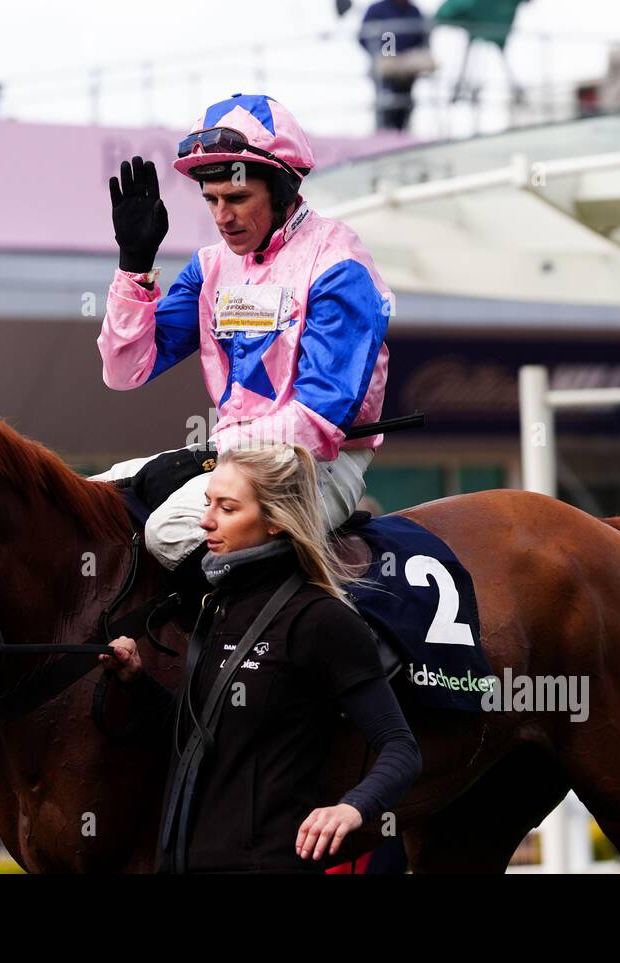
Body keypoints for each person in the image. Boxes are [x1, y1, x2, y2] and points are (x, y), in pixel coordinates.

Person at [92, 92, 392, 602]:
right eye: (211, 201)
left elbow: (318, 424)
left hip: (318, 462)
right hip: (231, 451)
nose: (222, 217)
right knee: (96, 497)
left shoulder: (339, 263)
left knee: (170, 531)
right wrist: (134, 264)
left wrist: (214, 456)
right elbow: (126, 370)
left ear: (280, 190)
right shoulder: (210, 267)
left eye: (236, 199)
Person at [99, 443, 421, 873]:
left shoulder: (320, 618)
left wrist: (353, 808)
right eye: (208, 502)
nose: (205, 520)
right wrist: (136, 679)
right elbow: (195, 734)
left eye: (228, 508)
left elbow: (400, 748)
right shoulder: (217, 606)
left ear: (274, 522)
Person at [360, 0, 432, 131]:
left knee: (406, 104)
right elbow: (364, 37)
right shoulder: (376, 10)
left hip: (408, 71)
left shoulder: (414, 11)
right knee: (386, 104)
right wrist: (384, 55)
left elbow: (422, 38)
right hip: (385, 69)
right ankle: (385, 135)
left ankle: (402, 134)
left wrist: (408, 59)